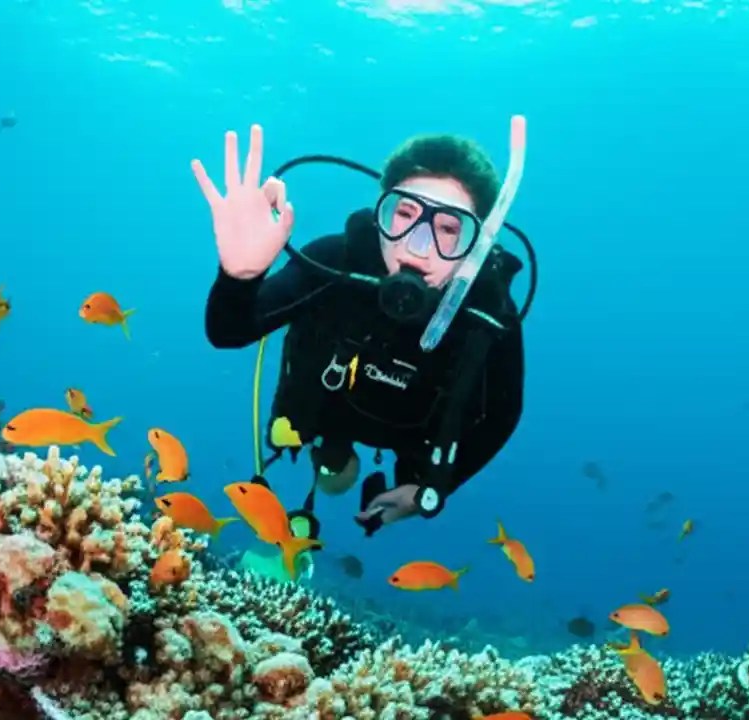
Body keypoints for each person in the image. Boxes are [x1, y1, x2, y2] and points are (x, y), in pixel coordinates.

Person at [193, 120, 534, 539]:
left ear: (478, 243)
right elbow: (227, 332)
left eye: (448, 229)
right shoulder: (336, 262)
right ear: (381, 214)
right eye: (404, 214)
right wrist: (239, 276)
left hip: (411, 440)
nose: (417, 246)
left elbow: (502, 416)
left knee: (365, 477)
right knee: (333, 473)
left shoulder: (488, 314)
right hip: (324, 415)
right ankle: (333, 457)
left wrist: (433, 487)